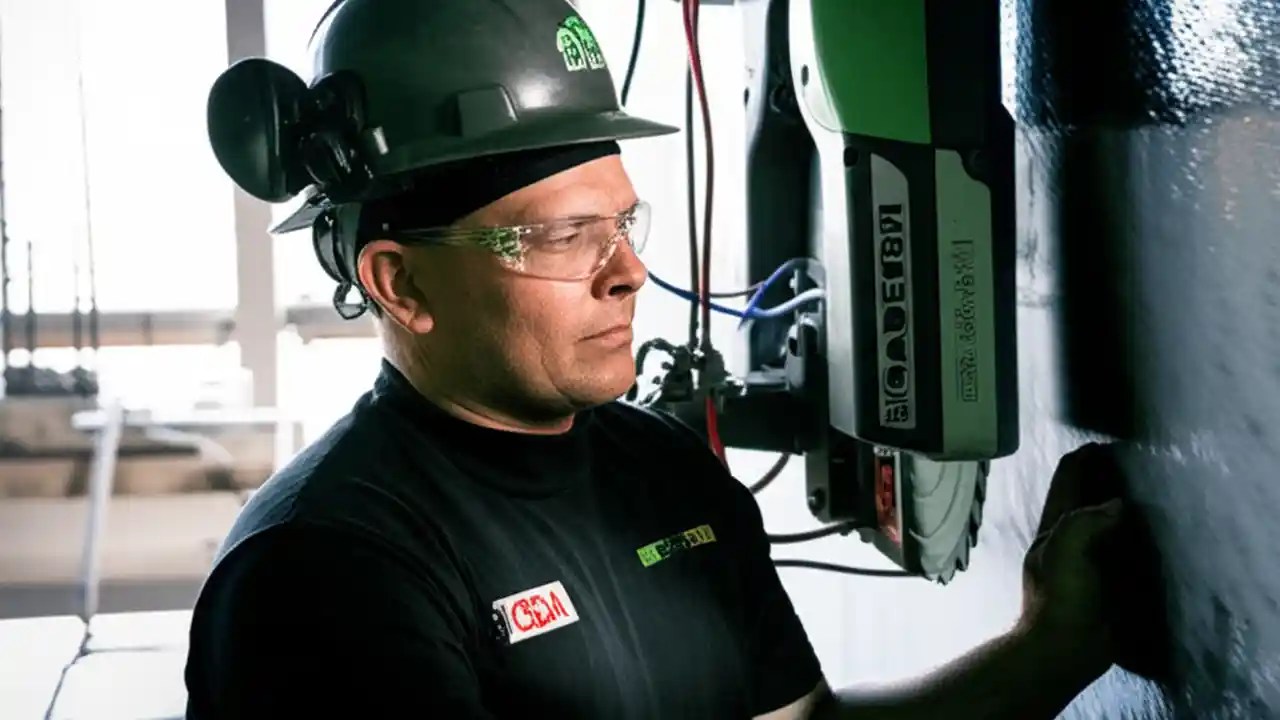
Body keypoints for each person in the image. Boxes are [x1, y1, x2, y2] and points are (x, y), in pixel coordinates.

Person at [187, 0, 1127, 717]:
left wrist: (1051, 647)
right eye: (564, 237)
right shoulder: (326, 571)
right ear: (400, 284)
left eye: (623, 224)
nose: (627, 273)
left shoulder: (666, 469)